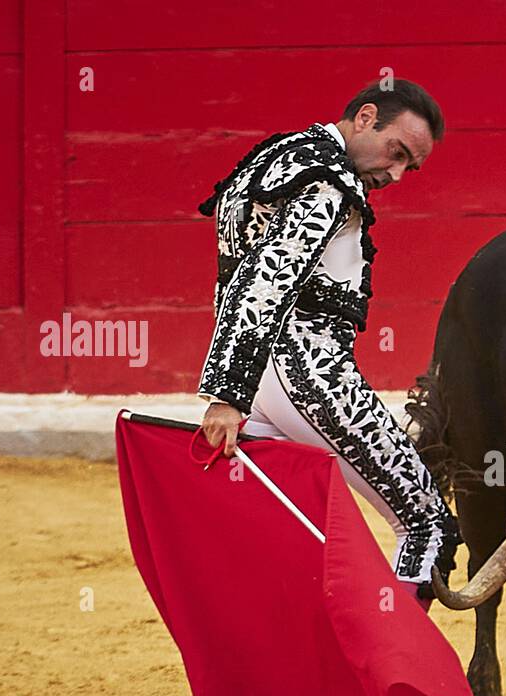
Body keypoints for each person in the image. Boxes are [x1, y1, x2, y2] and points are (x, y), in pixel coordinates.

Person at [194, 79, 459, 610]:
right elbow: (264, 280)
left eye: (411, 165)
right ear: (365, 118)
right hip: (308, 374)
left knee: (297, 530)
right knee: (427, 521)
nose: (397, 174)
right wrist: (224, 394)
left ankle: (296, 675)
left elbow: (240, 274)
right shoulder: (329, 183)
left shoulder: (277, 156)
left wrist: (235, 392)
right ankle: (389, 678)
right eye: (397, 152)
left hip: (263, 384)